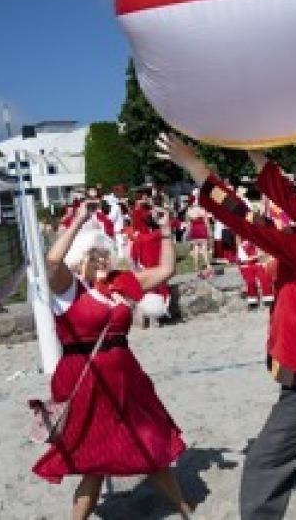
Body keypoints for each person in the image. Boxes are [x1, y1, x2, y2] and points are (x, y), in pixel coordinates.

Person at [157, 132, 296, 520]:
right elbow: (294, 202)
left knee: (265, 464)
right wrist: (252, 147)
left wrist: (194, 165)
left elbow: (244, 219)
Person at [32, 199, 190, 519]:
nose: (101, 256)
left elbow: (166, 270)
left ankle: (182, 507)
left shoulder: (120, 284)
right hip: (85, 378)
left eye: (103, 250)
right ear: (79, 261)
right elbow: (51, 262)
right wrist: (77, 220)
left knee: (148, 442)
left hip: (125, 376)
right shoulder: (68, 288)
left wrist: (163, 228)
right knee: (94, 461)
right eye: (93, 253)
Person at [183, 194, 213, 277]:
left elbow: (188, 224)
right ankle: (207, 265)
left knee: (195, 248)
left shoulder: (188, 211)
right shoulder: (201, 209)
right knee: (204, 248)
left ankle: (195, 266)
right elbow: (206, 222)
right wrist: (209, 231)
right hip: (201, 229)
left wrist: (187, 233)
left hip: (194, 230)